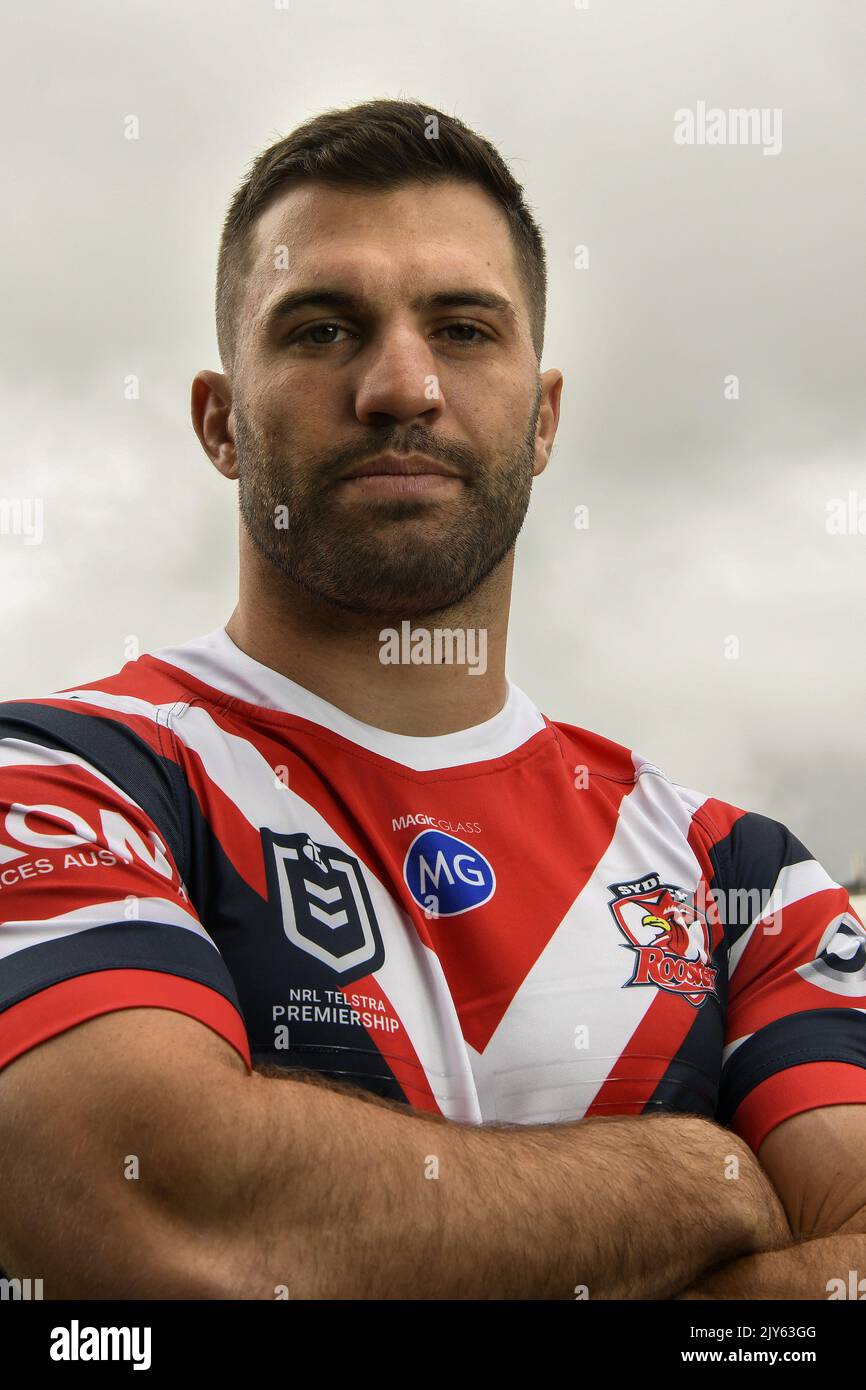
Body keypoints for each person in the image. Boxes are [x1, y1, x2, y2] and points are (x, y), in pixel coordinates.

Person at [0, 98, 864, 1300]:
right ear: (219, 424)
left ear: (545, 417)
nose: (400, 386)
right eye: (320, 329)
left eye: (461, 328)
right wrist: (702, 1180)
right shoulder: (61, 779)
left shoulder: (744, 876)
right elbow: (165, 1229)